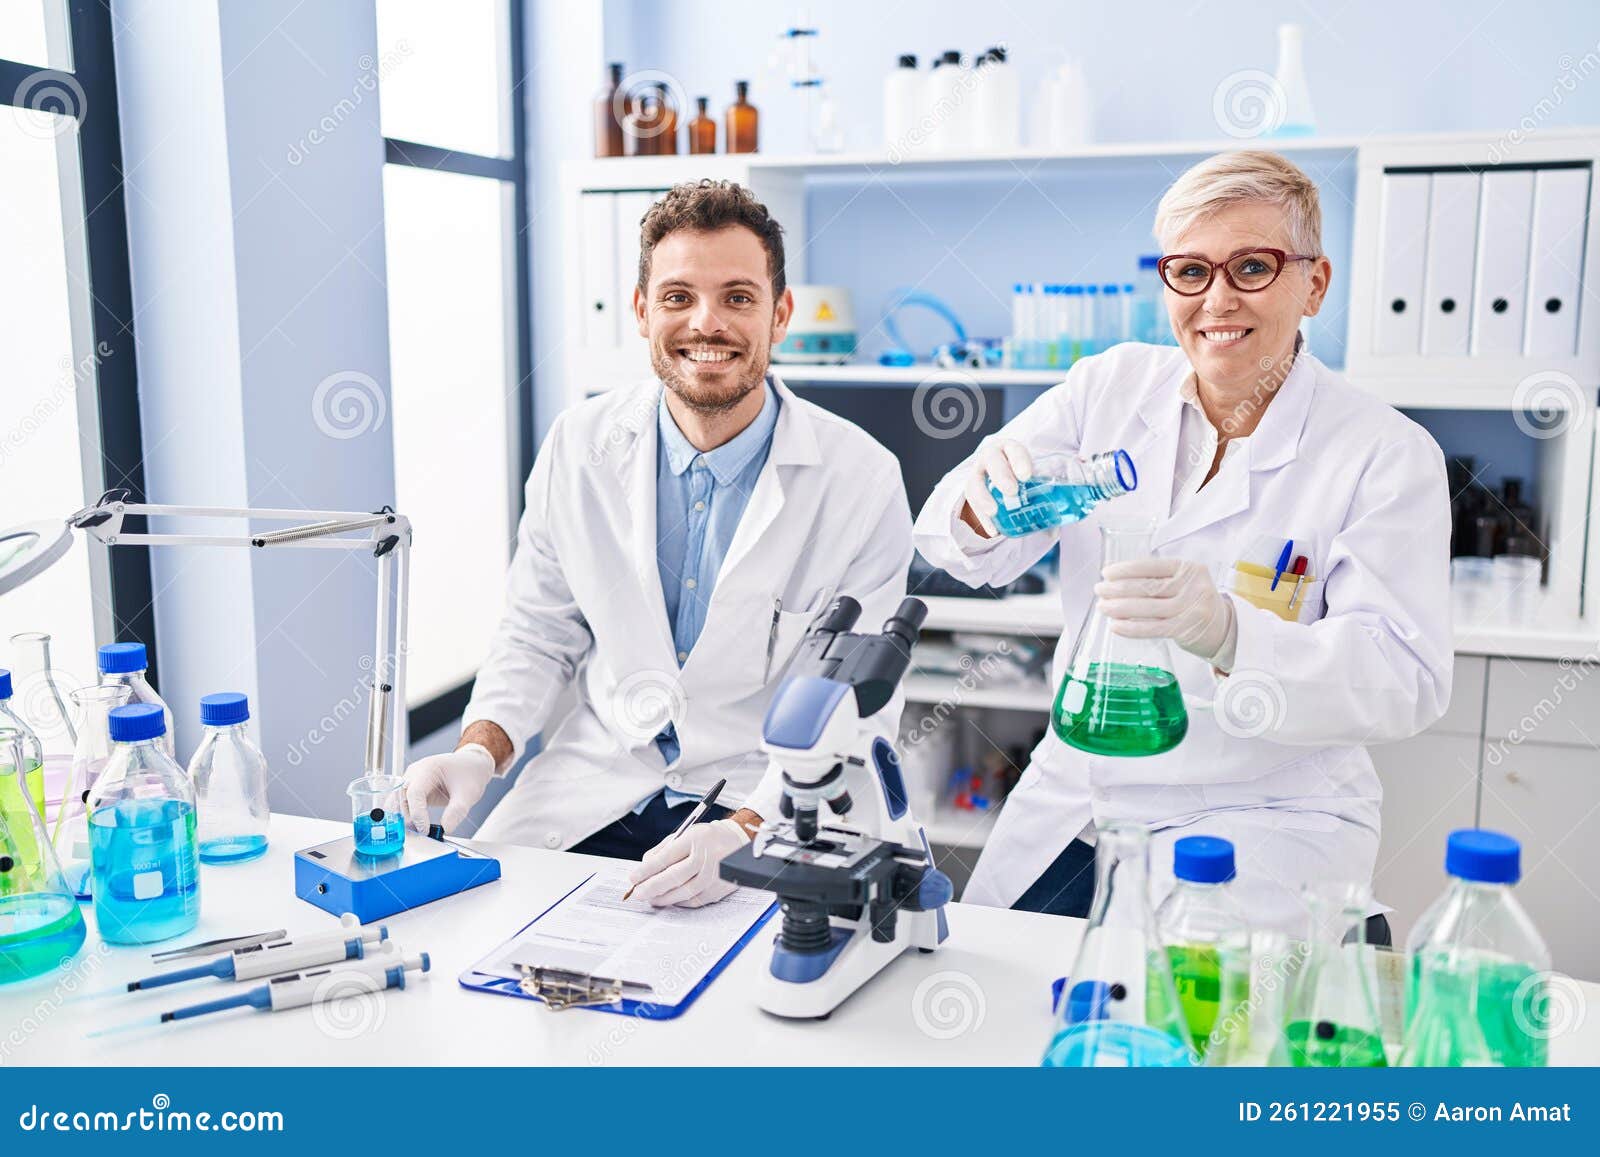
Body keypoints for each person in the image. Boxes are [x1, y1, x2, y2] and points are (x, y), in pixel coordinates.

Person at [914, 151, 1453, 939]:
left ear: (1315, 283)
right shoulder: (1109, 385)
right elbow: (952, 542)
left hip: (1261, 816)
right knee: (1001, 1005)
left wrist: (1232, 633)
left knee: (1190, 1035)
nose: (1218, 300)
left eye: (1254, 267)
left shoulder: (1382, 452)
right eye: (1190, 272)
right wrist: (983, 503)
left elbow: (1406, 676)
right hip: (1078, 797)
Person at [403, 180, 911, 907]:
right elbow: (537, 633)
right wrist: (479, 750)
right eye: (678, 297)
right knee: (489, 943)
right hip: (591, 787)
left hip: (764, 796)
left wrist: (743, 827)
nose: (707, 324)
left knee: (749, 993)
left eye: (738, 297)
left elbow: (855, 705)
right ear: (642, 312)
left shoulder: (860, 479)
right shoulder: (578, 447)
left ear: (781, 314)